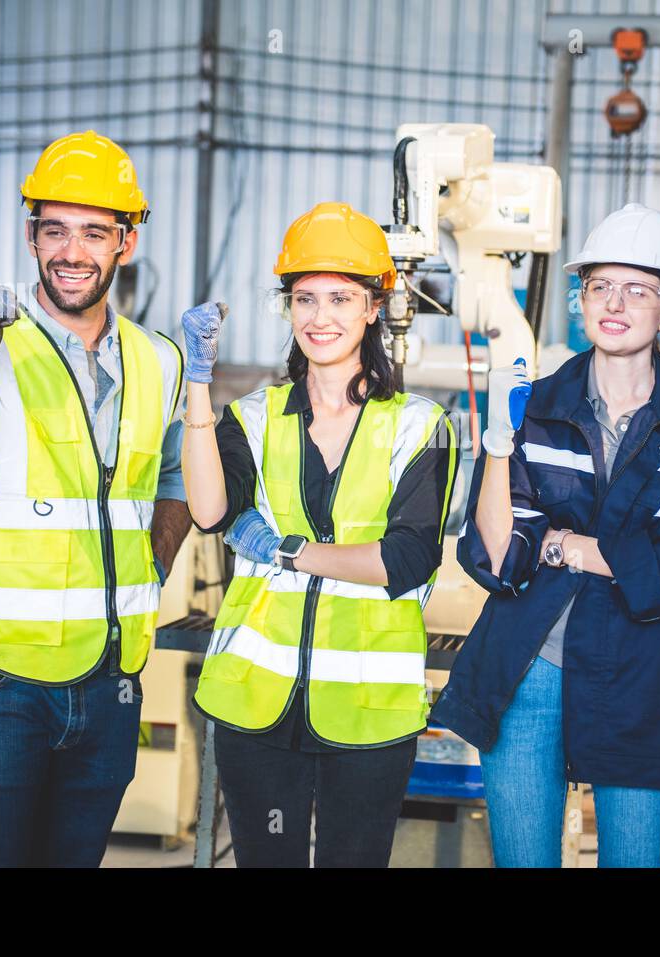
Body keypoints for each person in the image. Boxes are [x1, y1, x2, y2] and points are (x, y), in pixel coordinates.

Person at [0, 130, 190, 866]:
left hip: (109, 681)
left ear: (125, 241)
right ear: (31, 238)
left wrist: (149, 565)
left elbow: (176, 477)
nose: (72, 250)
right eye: (54, 229)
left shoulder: (158, 361)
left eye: (94, 232)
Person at [432, 204, 660, 867]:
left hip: (645, 675)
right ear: (579, 302)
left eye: (638, 290)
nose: (614, 303)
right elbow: (494, 553)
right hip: (529, 669)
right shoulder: (535, 405)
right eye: (600, 286)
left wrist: (564, 543)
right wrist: (497, 437)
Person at [180, 201, 459, 867]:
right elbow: (211, 510)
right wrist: (196, 384)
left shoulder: (421, 425)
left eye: (341, 296)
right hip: (255, 698)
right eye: (304, 297)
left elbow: (408, 558)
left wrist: (289, 550)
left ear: (373, 306)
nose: (320, 315)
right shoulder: (251, 416)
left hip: (368, 710)